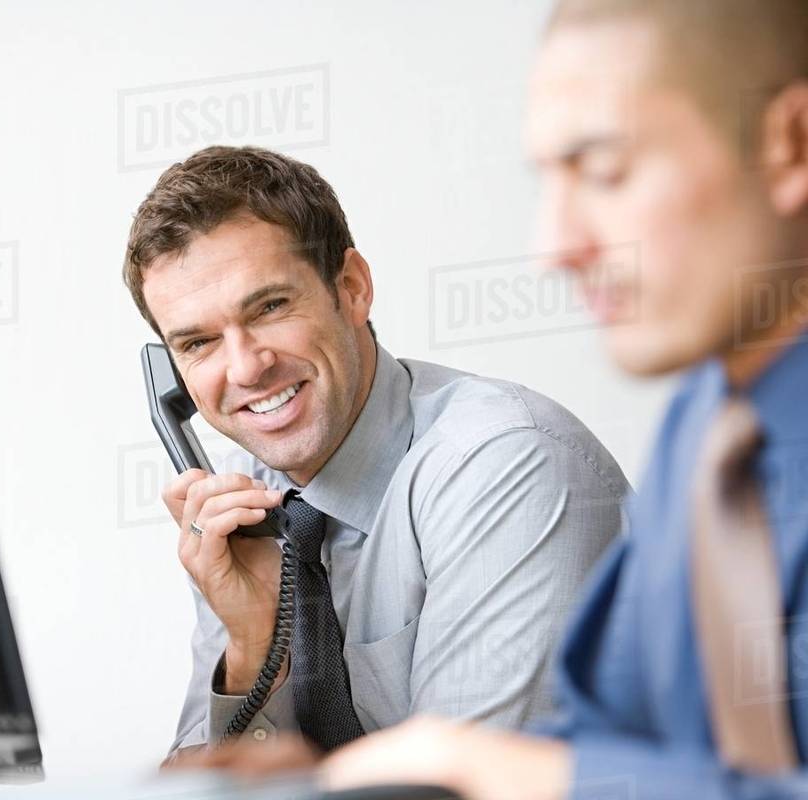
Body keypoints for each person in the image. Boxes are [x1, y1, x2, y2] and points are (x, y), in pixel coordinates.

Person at [301, 1, 808, 798]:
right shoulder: (708, 432)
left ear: (791, 146)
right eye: (548, 181)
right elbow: (614, 727)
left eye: (604, 171)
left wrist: (529, 775)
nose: (554, 247)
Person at [121, 145, 627, 757]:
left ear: (353, 288)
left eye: (271, 307)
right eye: (199, 343)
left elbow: (461, 790)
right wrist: (256, 649)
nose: (247, 367)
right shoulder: (241, 507)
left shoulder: (504, 465)